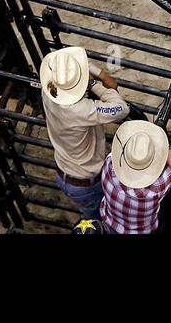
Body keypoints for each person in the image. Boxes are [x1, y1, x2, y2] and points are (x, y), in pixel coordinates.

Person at [40, 45, 130, 221]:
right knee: (102, 221)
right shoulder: (81, 110)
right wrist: (99, 85)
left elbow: (70, 62)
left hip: (67, 173)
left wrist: (99, 75)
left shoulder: (49, 89)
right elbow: (121, 109)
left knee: (93, 217)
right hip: (87, 183)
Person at [98, 120, 171, 234]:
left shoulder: (108, 166)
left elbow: (113, 154)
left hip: (110, 223)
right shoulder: (155, 190)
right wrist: (166, 151)